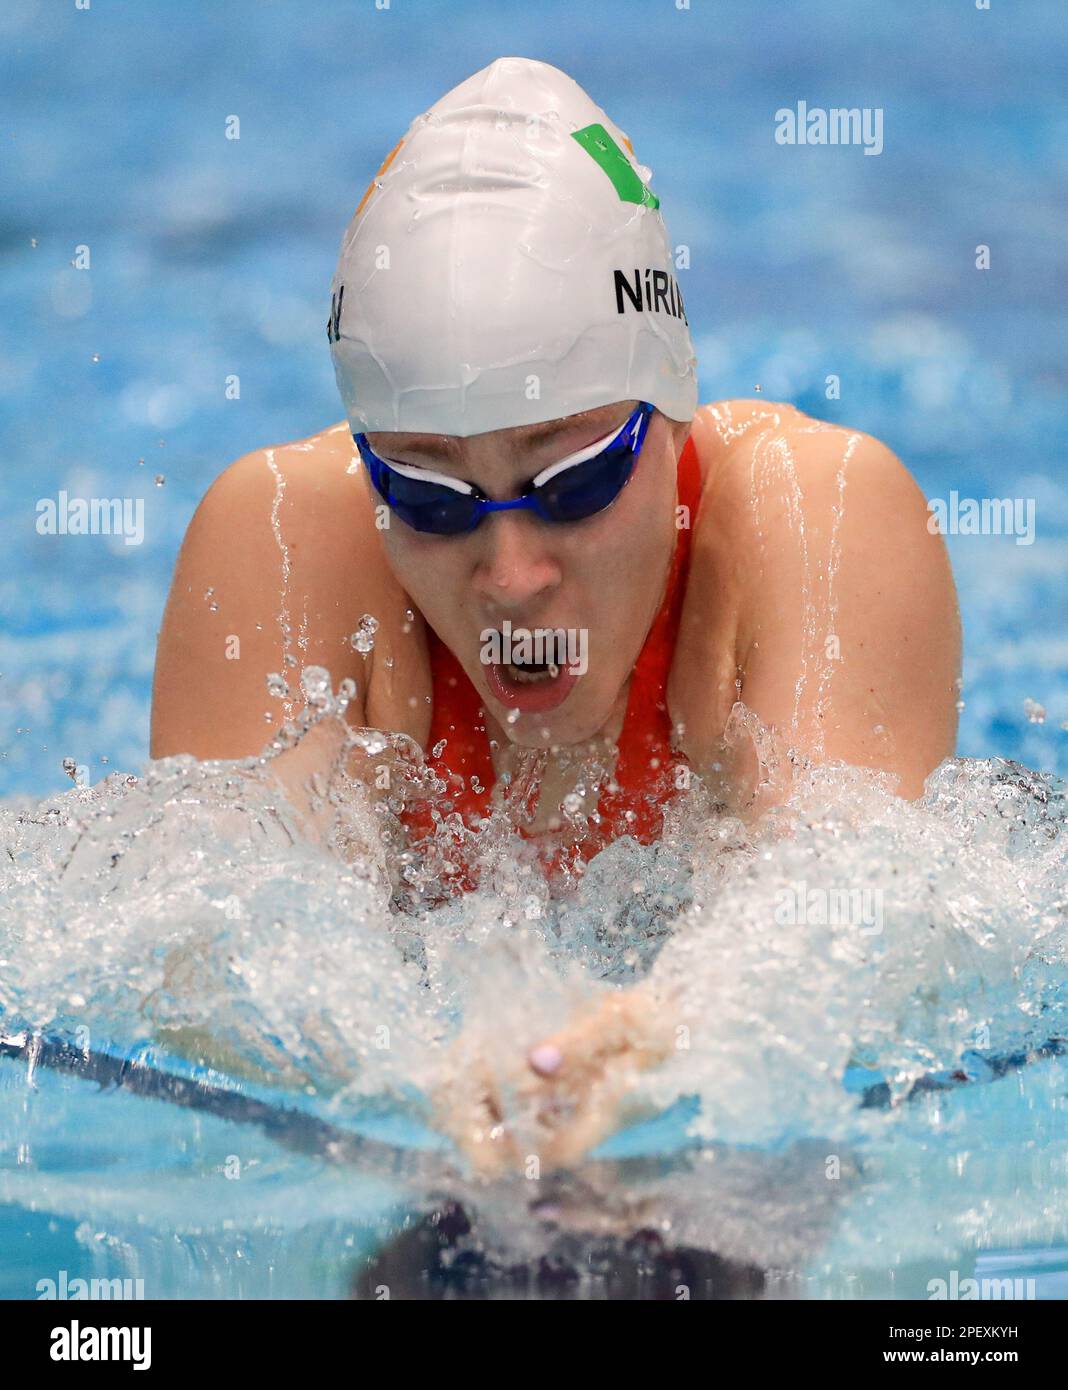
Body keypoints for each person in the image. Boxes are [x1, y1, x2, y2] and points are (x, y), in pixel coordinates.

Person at [151, 56, 960, 1174]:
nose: (512, 573)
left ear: (669, 413)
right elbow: (200, 952)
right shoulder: (288, 533)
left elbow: (860, 919)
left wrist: (672, 1036)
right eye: (430, 499)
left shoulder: (816, 516)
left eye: (575, 480)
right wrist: (394, 1077)